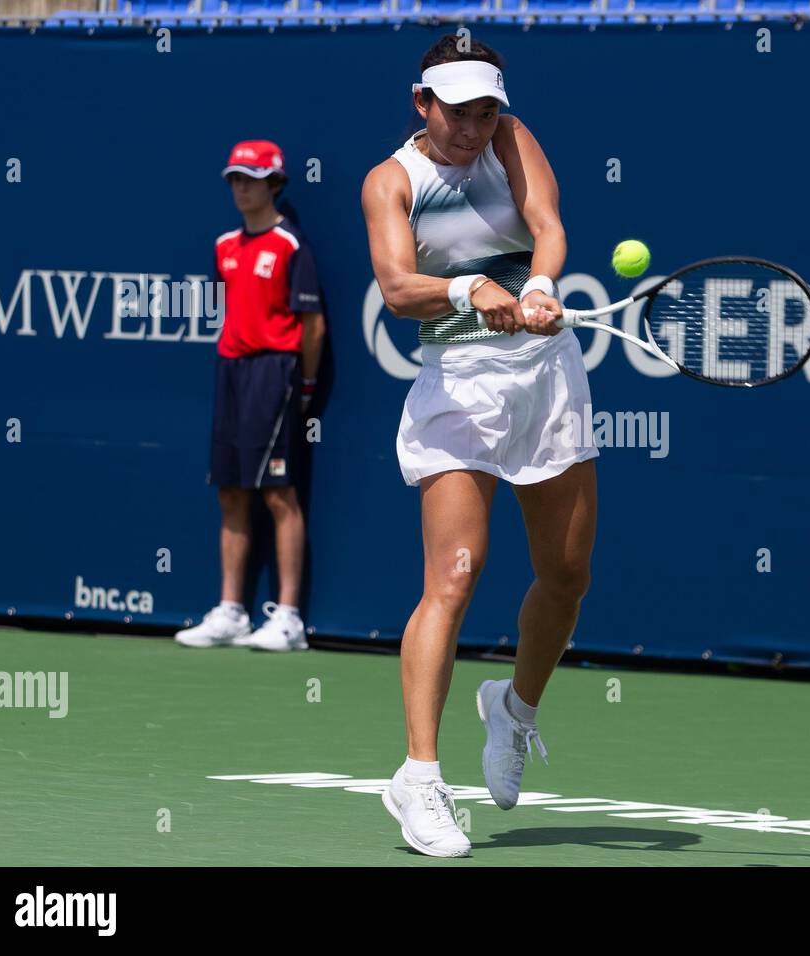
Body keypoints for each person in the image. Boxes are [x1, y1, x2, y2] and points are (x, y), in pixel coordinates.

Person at [362, 36, 598, 857]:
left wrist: (537, 284)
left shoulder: (509, 138)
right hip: (460, 389)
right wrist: (469, 286)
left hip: (547, 379)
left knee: (566, 577)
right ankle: (420, 779)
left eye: (483, 109)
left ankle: (514, 709)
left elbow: (547, 226)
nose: (470, 126)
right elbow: (398, 289)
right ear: (420, 102)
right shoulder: (391, 182)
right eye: (454, 110)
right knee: (453, 579)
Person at [175, 140, 326, 653]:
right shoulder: (224, 246)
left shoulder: (290, 245)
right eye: (235, 179)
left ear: (274, 184)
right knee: (231, 491)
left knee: (279, 493)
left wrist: (304, 385)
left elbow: (313, 325)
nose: (241, 188)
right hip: (231, 373)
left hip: (274, 373)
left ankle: (287, 617)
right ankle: (231, 610)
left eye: (250, 179)